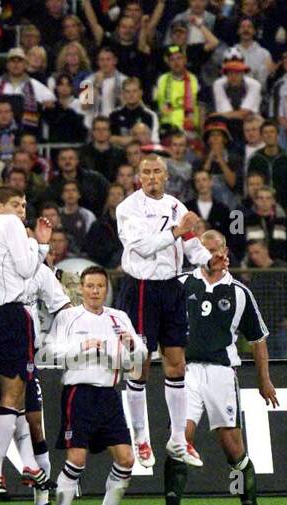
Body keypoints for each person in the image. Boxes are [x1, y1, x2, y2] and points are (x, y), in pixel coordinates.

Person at [167, 231, 276, 505]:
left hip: (221, 373)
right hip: (186, 372)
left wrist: (264, 381)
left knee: (232, 447)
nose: (213, 255)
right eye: (207, 250)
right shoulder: (181, 284)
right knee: (180, 439)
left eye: (217, 250)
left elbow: (258, 340)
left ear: (226, 252)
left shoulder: (239, 292)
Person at [114, 154, 215, 469]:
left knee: (176, 364)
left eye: (158, 171)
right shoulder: (127, 209)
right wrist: (176, 231)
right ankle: (141, 439)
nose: (152, 177)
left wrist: (208, 259)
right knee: (139, 365)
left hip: (171, 288)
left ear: (167, 176)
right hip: (141, 288)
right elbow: (141, 247)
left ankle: (177, 438)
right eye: (146, 172)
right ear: (138, 177)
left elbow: (190, 244)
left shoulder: (176, 207)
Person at [44, 266, 146, 505]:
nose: (95, 291)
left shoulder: (119, 318)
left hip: (109, 394)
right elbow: (49, 352)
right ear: (81, 288)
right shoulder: (68, 318)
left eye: (100, 286)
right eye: (90, 286)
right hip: (79, 393)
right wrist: (81, 348)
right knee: (77, 458)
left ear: (106, 289)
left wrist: (131, 346)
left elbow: (139, 357)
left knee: (126, 459)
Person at [0, 187, 54, 495]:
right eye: (15, 204)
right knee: (14, 392)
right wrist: (40, 245)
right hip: (10, 316)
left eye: (23, 204)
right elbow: (25, 269)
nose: (22, 209)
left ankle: (27, 463)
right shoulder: (11, 225)